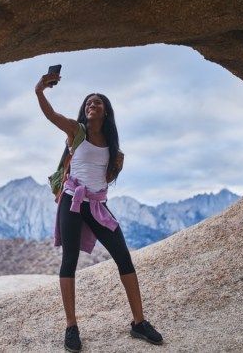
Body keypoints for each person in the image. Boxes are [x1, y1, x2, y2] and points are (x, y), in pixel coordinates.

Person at [35, 72, 163, 351]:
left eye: (97, 103)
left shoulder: (113, 147)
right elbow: (50, 115)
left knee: (124, 258)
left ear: (106, 112)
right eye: (88, 103)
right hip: (72, 202)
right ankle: (71, 327)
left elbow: (106, 179)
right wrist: (40, 91)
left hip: (97, 206)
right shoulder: (76, 132)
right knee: (69, 261)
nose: (91, 105)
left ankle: (139, 322)